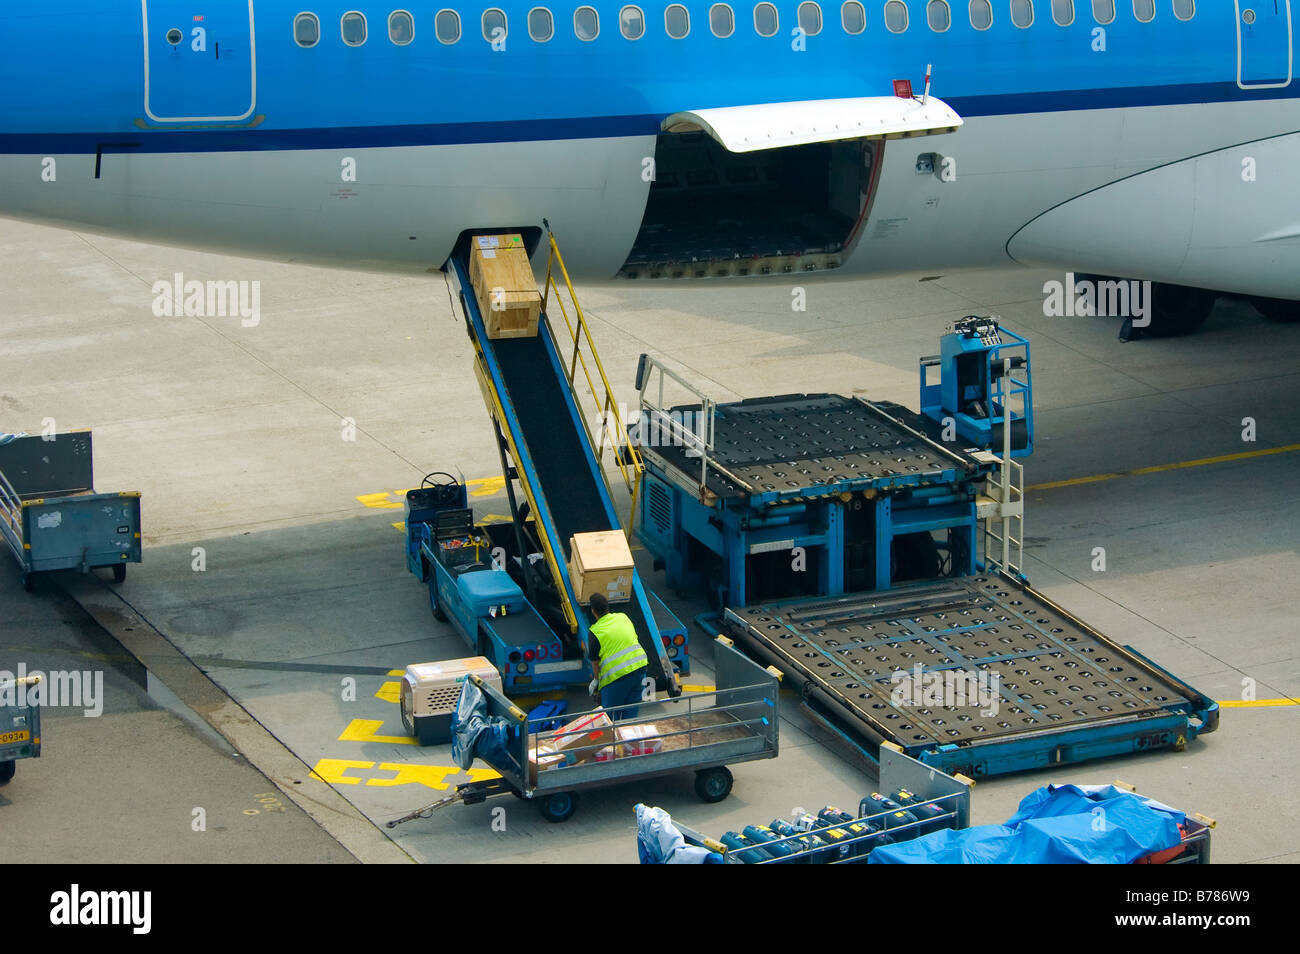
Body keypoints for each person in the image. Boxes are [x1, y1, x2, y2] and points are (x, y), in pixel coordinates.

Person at [586, 592, 649, 721]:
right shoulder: (623, 617)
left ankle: (613, 739)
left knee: (610, 717)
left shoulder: (595, 632)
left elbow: (595, 662)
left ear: (593, 611)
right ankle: (628, 739)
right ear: (607, 607)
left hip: (616, 678)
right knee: (630, 713)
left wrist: (597, 681)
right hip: (639, 668)